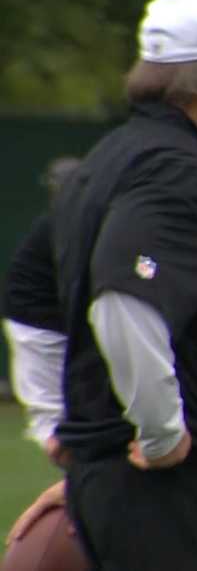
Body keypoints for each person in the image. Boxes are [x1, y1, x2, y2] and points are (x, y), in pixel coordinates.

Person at [50, 0, 197, 571]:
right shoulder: (172, 168)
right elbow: (124, 294)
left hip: (122, 484)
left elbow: (27, 293)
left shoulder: (113, 156)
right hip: (175, 491)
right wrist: (161, 433)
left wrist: (64, 423)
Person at [3, 156, 79, 456]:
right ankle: (77, 478)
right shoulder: (61, 224)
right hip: (36, 324)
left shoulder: (69, 221)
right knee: (51, 421)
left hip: (54, 320)